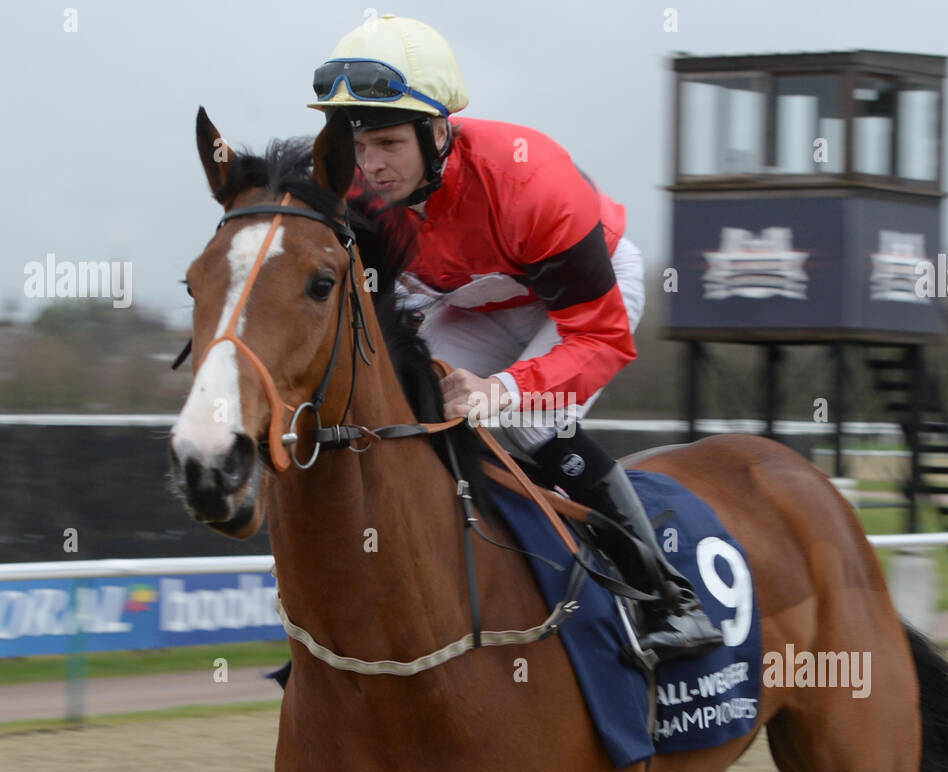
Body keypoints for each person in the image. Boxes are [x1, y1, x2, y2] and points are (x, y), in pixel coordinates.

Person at [308, 15, 722, 662]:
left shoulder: (533, 184)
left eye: (387, 142)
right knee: (411, 401)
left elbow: (599, 340)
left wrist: (502, 388)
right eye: (358, 145)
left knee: (530, 422)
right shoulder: (358, 188)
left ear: (438, 130)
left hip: (585, 297)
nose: (370, 166)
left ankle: (669, 598)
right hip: (477, 297)